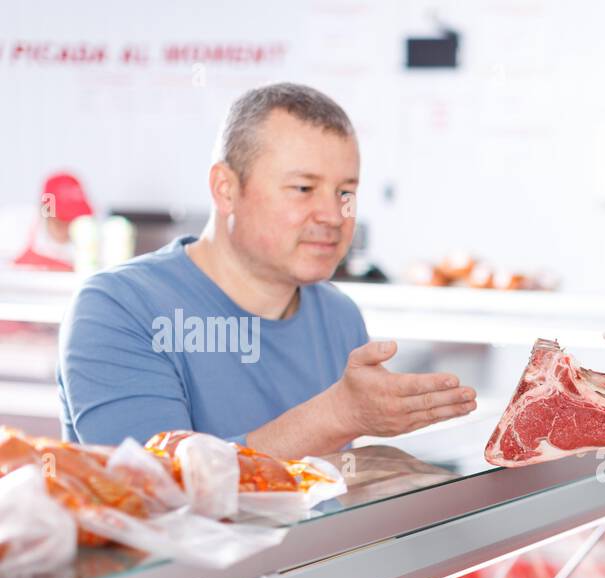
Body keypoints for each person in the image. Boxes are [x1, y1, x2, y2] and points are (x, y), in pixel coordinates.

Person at [57, 82, 476, 456]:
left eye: (345, 191)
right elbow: (154, 491)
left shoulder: (339, 315)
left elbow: (326, 491)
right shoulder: (119, 307)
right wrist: (336, 415)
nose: (333, 214)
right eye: (303, 189)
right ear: (226, 189)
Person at [0, 172, 93, 271]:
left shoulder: (87, 245)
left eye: (72, 218)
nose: (66, 225)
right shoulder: (14, 223)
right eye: (61, 219)